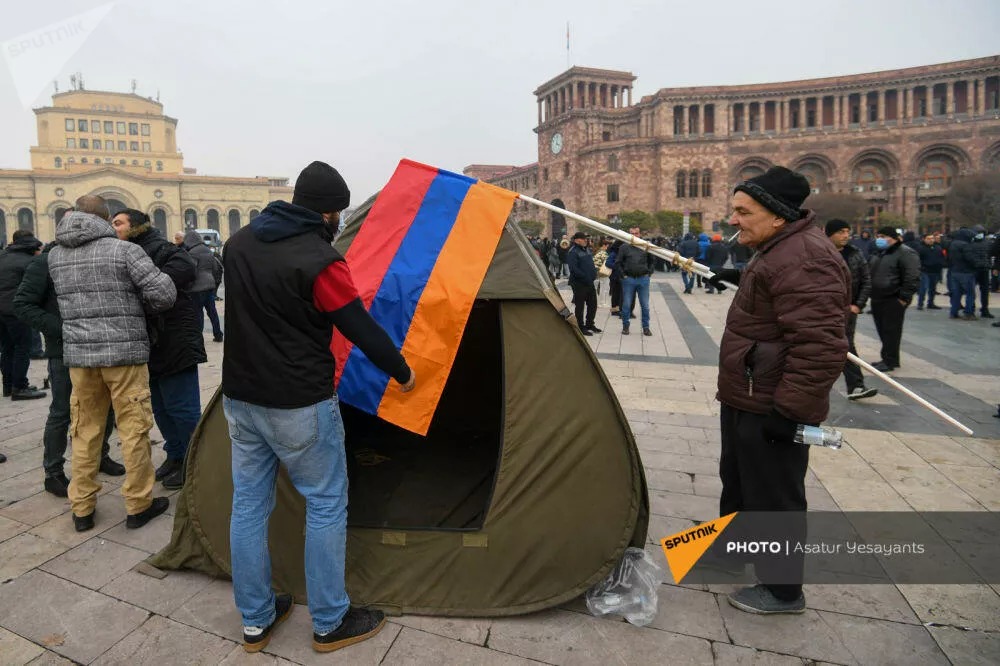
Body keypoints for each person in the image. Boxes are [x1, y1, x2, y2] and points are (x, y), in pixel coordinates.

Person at [223, 161, 415, 654]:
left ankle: (255, 619)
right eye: (338, 213)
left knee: (248, 505)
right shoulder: (319, 260)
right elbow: (358, 327)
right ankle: (330, 620)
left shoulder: (238, 243)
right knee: (326, 502)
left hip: (241, 399)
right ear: (328, 213)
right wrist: (402, 369)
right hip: (299, 403)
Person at [708, 166, 849, 615]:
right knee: (741, 481)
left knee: (774, 496)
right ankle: (733, 551)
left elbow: (820, 346)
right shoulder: (777, 250)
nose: (734, 219)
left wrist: (789, 412)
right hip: (747, 393)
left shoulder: (804, 257)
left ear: (777, 216)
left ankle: (783, 590)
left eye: (743, 211)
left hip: (772, 401)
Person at [48, 195, 177, 532]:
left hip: (80, 357)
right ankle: (138, 504)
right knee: (133, 429)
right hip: (124, 356)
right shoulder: (125, 251)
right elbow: (164, 295)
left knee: (84, 430)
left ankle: (82, 508)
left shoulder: (55, 255)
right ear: (106, 219)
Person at [14, 234, 126, 497]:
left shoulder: (97, 256)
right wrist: (63, 330)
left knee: (106, 407)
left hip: (100, 346)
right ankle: (53, 472)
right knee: (62, 411)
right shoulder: (46, 261)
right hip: (64, 351)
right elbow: (22, 304)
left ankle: (101, 455)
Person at [112, 209, 206, 490]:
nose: (113, 228)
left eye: (119, 223)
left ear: (136, 227)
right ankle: (176, 455)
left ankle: (195, 463)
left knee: (182, 407)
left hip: (175, 339)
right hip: (149, 341)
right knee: (161, 407)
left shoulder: (164, 249)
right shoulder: (126, 251)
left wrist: (141, 287)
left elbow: (185, 270)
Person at [825, 219, 877, 401]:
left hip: (847, 310)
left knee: (845, 346)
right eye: (841, 232)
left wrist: (857, 305)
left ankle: (856, 385)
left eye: (847, 231)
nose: (845, 235)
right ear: (829, 234)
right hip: (823, 310)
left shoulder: (855, 254)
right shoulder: (819, 253)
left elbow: (866, 281)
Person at [0, 230, 47, 400]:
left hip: (1, 310)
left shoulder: (3, 256)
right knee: (22, 347)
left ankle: (8, 385)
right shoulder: (30, 261)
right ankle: (20, 387)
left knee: (7, 348)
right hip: (16, 310)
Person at [867, 227, 920, 372]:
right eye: (878, 235)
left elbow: (912, 276)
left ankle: (889, 360)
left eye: (883, 236)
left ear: (894, 238)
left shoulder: (906, 253)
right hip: (878, 297)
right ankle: (888, 358)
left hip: (893, 298)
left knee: (891, 331)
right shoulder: (880, 253)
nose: (879, 239)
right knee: (883, 330)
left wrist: (904, 297)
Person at [183, 230, 225, 342]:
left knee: (198, 312)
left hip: (197, 287)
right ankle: (218, 334)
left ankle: (198, 337)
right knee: (212, 311)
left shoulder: (192, 252)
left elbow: (191, 270)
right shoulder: (208, 250)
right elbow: (215, 268)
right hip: (210, 285)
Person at [615, 227, 655, 336]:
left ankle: (646, 327)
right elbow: (618, 262)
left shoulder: (646, 246)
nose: (634, 235)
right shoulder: (624, 247)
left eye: (636, 233)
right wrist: (623, 275)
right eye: (632, 233)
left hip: (643, 279)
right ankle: (625, 326)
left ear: (640, 234)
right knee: (626, 304)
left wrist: (649, 273)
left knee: (645, 305)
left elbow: (652, 261)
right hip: (629, 279)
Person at [567, 232, 600, 335]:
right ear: (577, 240)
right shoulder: (573, 251)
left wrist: (594, 273)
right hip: (579, 283)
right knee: (580, 306)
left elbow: (590, 263)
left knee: (593, 304)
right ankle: (581, 326)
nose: (585, 240)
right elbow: (573, 269)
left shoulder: (586, 250)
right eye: (583, 238)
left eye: (585, 238)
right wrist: (585, 277)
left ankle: (590, 324)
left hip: (589, 282)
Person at [947, 228, 979, 321]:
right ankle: (968, 313)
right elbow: (970, 258)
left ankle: (953, 312)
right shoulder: (966, 245)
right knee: (970, 294)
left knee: (956, 293)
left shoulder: (953, 244)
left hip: (955, 271)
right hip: (966, 272)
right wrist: (976, 264)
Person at [915, 232, 945, 310]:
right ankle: (920, 303)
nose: (931, 240)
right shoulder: (920, 248)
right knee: (923, 288)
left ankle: (931, 303)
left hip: (935, 271)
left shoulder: (938, 247)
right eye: (928, 238)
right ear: (924, 239)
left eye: (932, 238)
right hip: (924, 271)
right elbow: (917, 260)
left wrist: (941, 265)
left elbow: (941, 257)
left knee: (933, 288)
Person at [970, 225, 993, 319]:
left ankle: (977, 308)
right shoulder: (988, 242)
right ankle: (983, 309)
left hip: (979, 269)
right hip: (981, 269)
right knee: (982, 291)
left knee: (979, 290)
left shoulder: (970, 243)